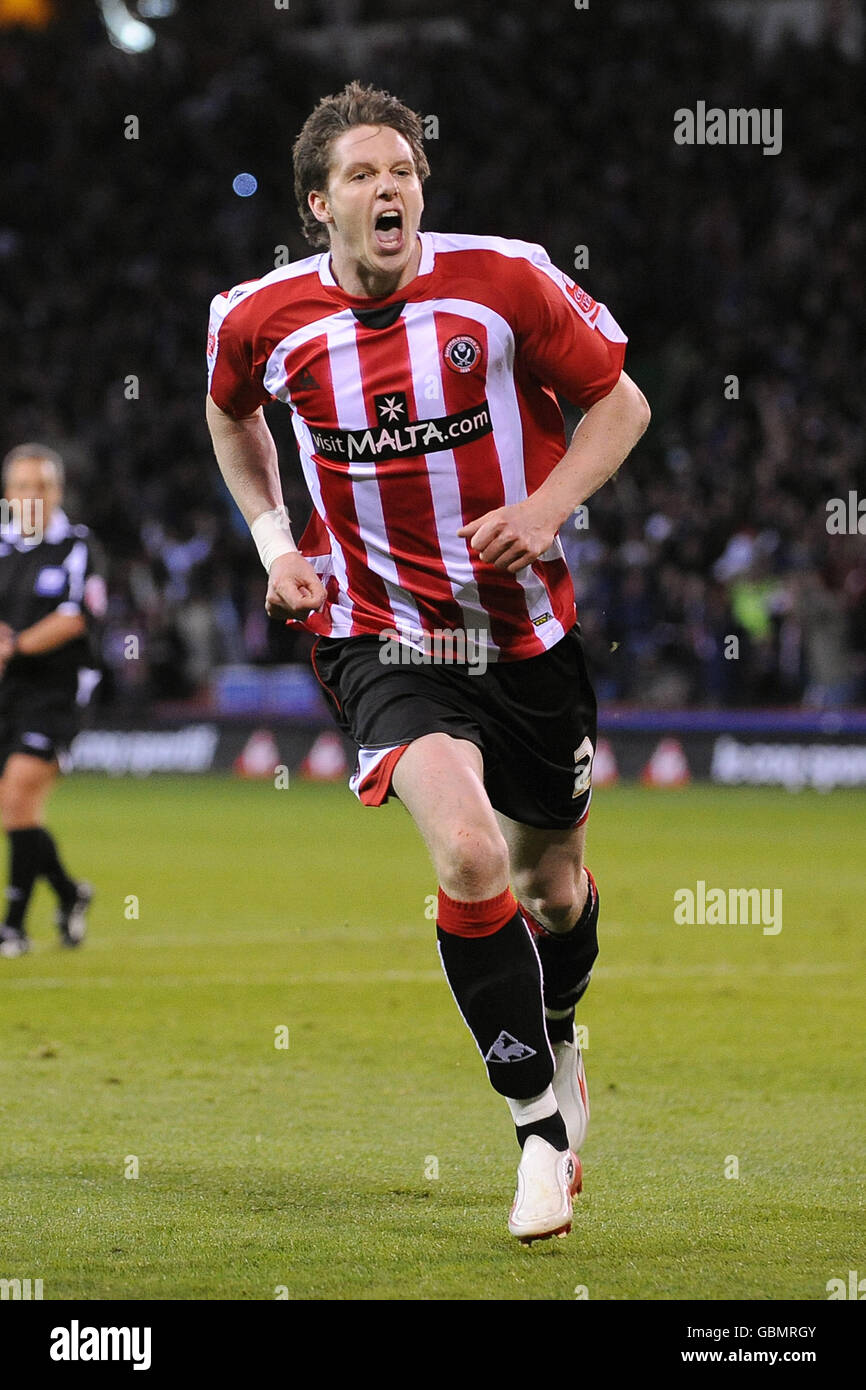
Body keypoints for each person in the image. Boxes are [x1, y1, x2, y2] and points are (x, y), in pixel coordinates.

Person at [206, 81, 650, 1242]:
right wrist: (273, 541)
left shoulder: (504, 280)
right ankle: (537, 1138)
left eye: (400, 169)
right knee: (464, 854)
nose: (388, 186)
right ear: (318, 204)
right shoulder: (259, 318)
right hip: (379, 635)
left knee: (553, 889)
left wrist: (548, 503)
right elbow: (228, 418)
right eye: (361, 174)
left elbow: (621, 405)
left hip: (524, 639)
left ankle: (558, 1031)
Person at [0, 444, 105, 958]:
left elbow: (76, 617)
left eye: (40, 486)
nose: (30, 497)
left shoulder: (77, 546)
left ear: (57, 491)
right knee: (14, 811)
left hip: (57, 693)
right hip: (6, 692)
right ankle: (69, 893)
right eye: (20, 487)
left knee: (18, 795)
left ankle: (12, 928)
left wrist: (14, 645)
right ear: (8, 494)